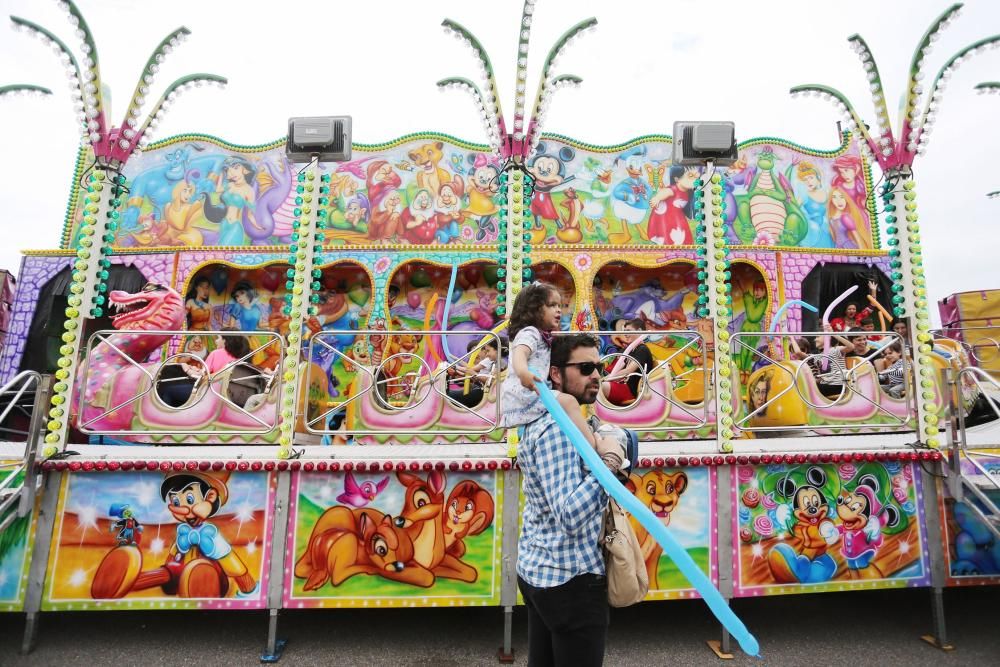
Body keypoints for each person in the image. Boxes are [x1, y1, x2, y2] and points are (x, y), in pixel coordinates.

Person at [517, 333, 623, 667]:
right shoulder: (558, 429)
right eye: (586, 368)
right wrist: (611, 468)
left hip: (542, 570)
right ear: (556, 374)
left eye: (599, 367)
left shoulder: (554, 419)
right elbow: (569, 515)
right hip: (569, 580)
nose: (596, 375)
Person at [499, 282, 603, 453]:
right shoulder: (530, 333)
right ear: (534, 310)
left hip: (535, 392)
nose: (559, 310)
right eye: (552, 305)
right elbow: (520, 353)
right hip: (529, 393)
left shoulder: (543, 336)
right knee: (569, 402)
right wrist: (523, 372)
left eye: (559, 306)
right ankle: (592, 445)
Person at [601, 319, 654, 406]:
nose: (625, 334)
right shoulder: (631, 349)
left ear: (639, 331)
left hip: (629, 391)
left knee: (599, 387)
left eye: (628, 331)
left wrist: (606, 379)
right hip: (623, 386)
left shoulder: (642, 349)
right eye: (624, 331)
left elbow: (628, 371)